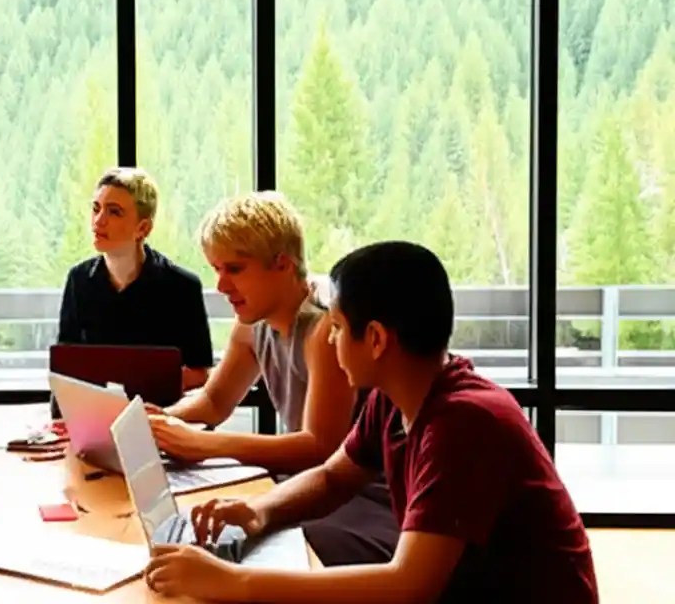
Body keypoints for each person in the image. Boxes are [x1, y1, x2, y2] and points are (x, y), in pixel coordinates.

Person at [143, 241, 598, 603]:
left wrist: (235, 582)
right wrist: (260, 512)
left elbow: (407, 586)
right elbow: (331, 478)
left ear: (377, 339)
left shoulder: (466, 422)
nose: (332, 340)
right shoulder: (394, 396)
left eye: (337, 328)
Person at [148, 192, 397, 566]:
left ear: (282, 264)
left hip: (362, 497)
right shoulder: (252, 324)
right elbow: (214, 401)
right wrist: (163, 421)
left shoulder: (323, 329)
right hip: (316, 486)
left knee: (238, 550)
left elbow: (320, 447)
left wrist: (204, 444)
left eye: (234, 269)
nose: (221, 285)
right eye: (216, 269)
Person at [57, 167, 213, 391]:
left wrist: (137, 390)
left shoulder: (182, 286)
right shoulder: (78, 280)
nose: (98, 221)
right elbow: (66, 365)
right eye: (96, 208)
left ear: (143, 228)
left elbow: (199, 372)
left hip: (160, 413)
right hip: (94, 411)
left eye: (114, 212)